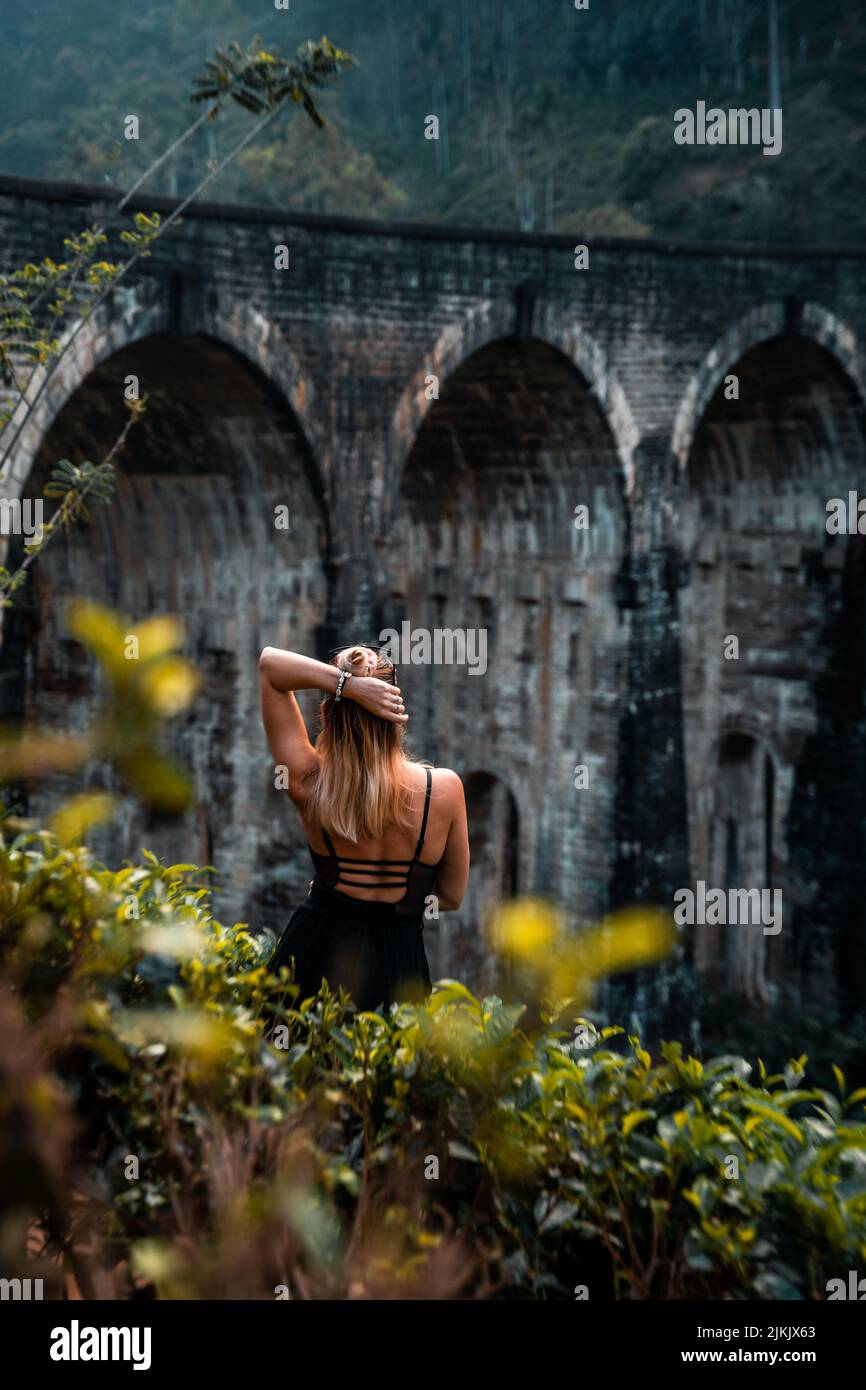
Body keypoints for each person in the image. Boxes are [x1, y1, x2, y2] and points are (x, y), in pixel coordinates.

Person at [259, 642, 470, 1011]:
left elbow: (270, 666)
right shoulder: (444, 789)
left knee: (288, 1060)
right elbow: (450, 896)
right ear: (395, 714)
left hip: (313, 952)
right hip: (397, 966)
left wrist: (345, 686)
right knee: (382, 1063)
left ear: (328, 712)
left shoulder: (308, 781)